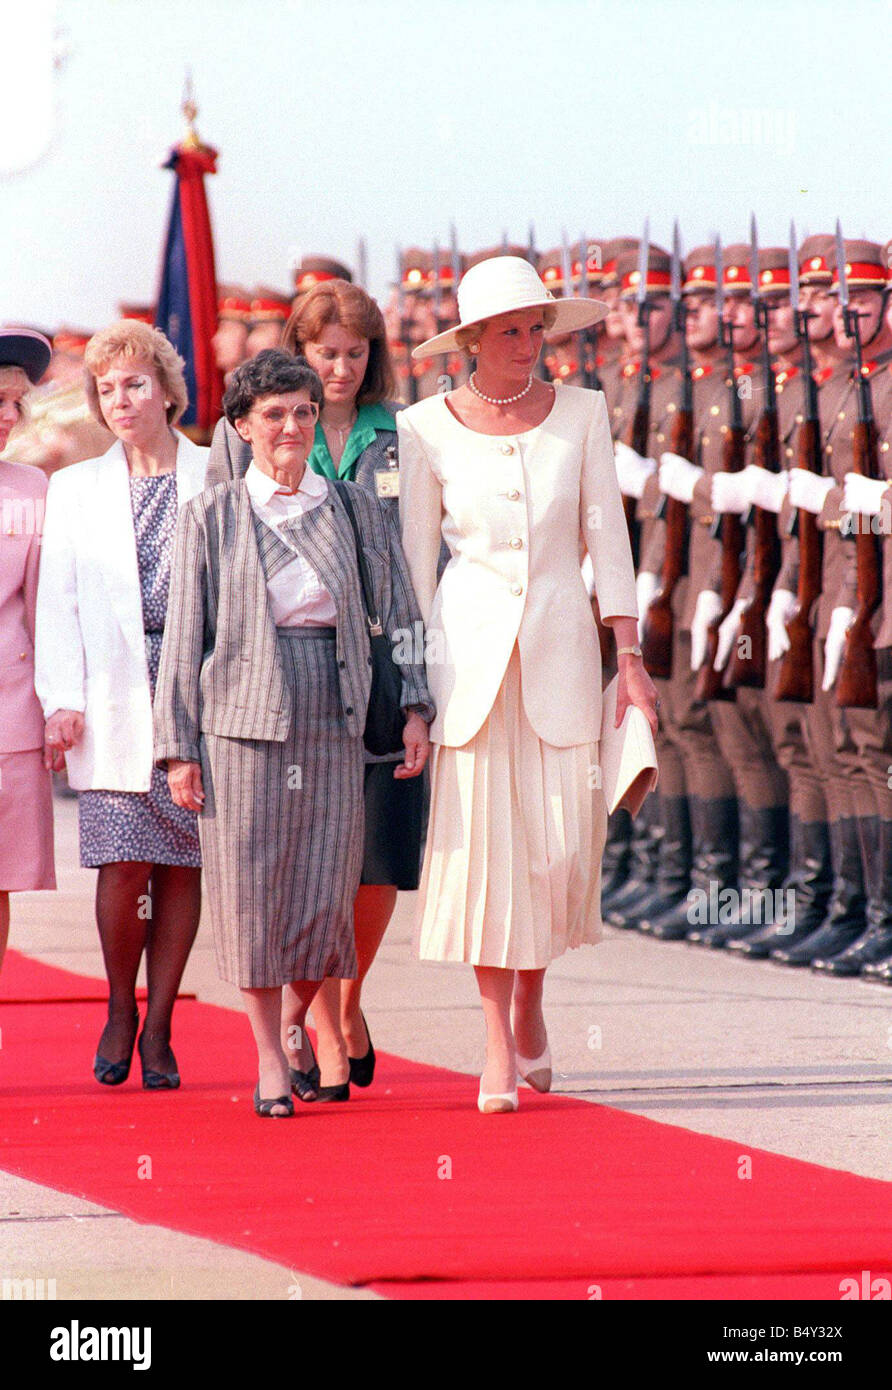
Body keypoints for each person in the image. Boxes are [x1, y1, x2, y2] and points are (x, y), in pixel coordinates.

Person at [398, 255, 657, 1113]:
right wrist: (409, 683)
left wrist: (629, 657)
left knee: (553, 851)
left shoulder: (582, 414)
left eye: (536, 326)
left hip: (559, 651)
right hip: (467, 661)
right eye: (508, 329)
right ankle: (495, 1045)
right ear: (470, 339)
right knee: (485, 859)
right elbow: (412, 563)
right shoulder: (425, 425)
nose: (527, 342)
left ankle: (535, 996)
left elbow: (608, 539)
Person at [154, 350, 434, 1117]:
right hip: (242, 716)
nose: (290, 426)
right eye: (272, 414)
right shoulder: (211, 515)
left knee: (323, 890)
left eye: (302, 412)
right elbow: (185, 637)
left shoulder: (352, 508)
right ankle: (268, 1056)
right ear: (241, 427)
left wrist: (416, 707)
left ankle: (293, 1014)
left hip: (336, 708)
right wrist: (178, 749)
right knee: (250, 891)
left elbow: (401, 613)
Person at [35, 320, 208, 1088]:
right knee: (123, 863)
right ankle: (118, 1006)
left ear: (168, 391)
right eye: (107, 389)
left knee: (180, 861)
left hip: (197, 688)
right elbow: (57, 604)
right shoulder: (75, 489)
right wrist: (61, 700)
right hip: (110, 690)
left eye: (135, 384)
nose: (121, 400)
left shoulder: (219, 476)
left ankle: (163, 1021)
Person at [0, 329, 57, 972]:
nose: (11, 417)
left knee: (0, 879)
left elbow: (43, 612)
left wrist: (53, 709)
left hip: (10, 714)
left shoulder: (32, 489)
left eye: (18, 403)